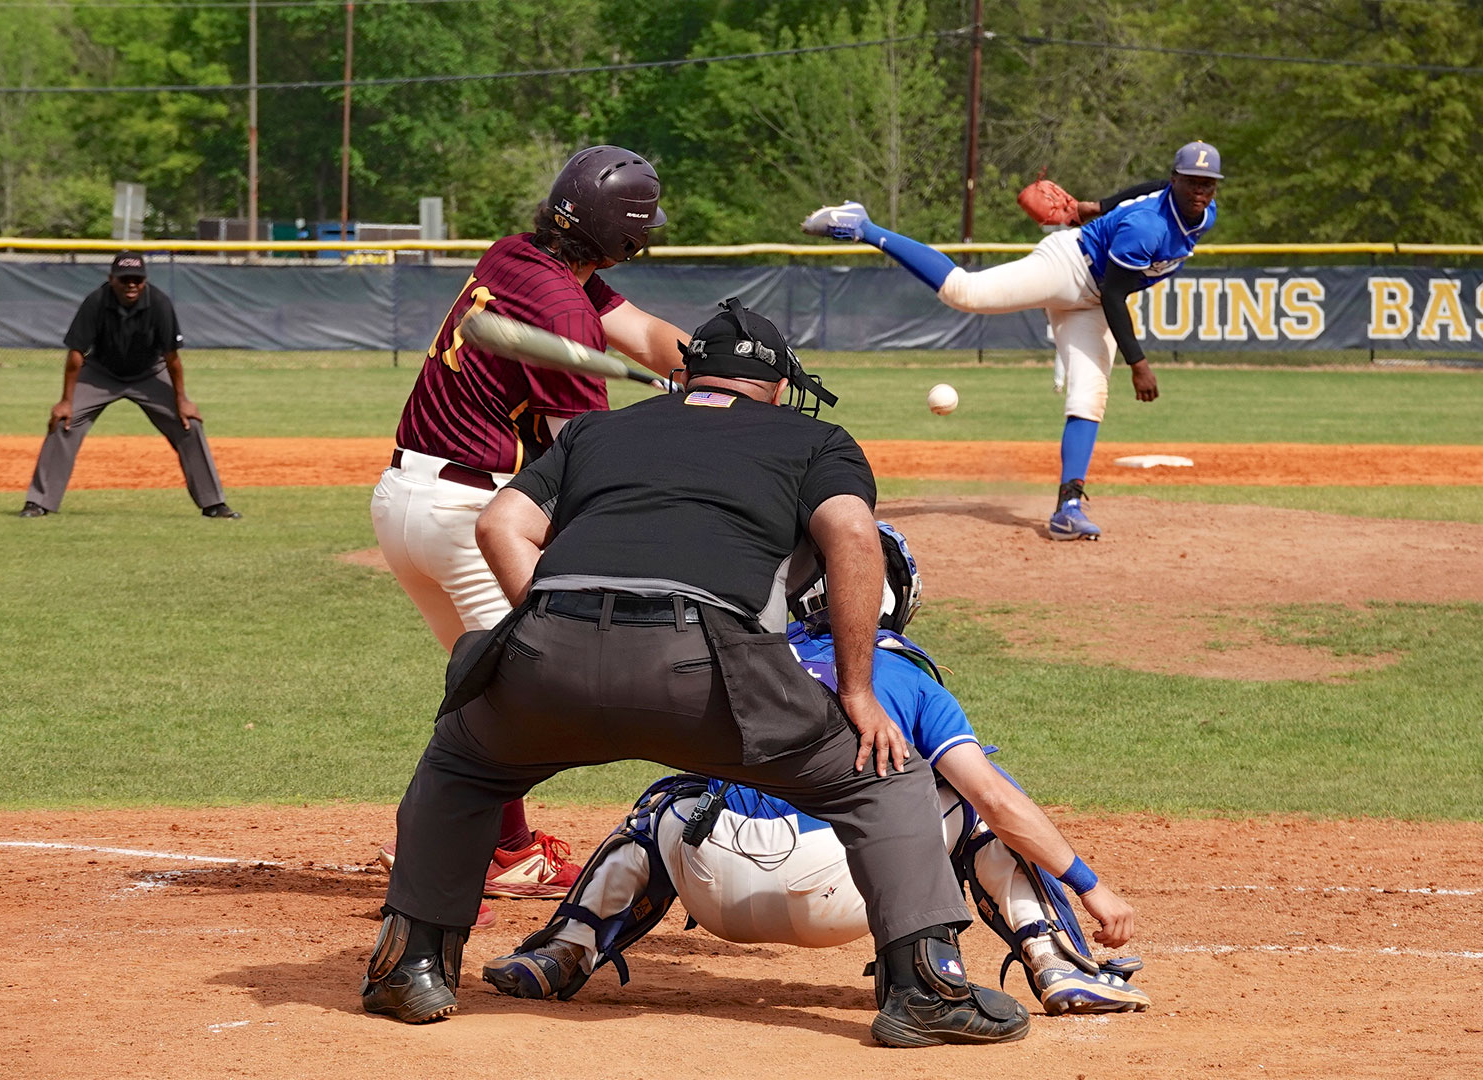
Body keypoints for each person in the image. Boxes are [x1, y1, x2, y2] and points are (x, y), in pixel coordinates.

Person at [361, 299, 1031, 1048]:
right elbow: (850, 534)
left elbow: (499, 524)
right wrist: (856, 689)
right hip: (705, 671)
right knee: (880, 777)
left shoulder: (596, 430)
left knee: (461, 763)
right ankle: (927, 991)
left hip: (547, 659)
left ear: (687, 376)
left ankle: (410, 966)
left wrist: (554, 624)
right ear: (777, 388)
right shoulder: (816, 439)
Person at [481, 522, 1151, 1018]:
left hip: (714, 889)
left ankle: (557, 952)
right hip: (844, 890)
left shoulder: (746, 659)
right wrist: (1092, 887)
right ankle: (1060, 967)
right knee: (962, 797)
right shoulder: (900, 674)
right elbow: (999, 804)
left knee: (668, 798)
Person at [370, 145, 691, 901]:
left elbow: (641, 333)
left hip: (407, 504)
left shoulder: (521, 258)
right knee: (520, 690)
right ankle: (429, 850)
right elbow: (576, 462)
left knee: (490, 686)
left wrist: (717, 370)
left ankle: (509, 848)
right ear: (628, 234)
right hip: (463, 516)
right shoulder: (564, 315)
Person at [802, 141, 1223, 542]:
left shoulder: (1204, 213)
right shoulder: (1145, 227)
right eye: (1191, 180)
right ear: (1176, 179)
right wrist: (1139, 363)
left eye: (1208, 183)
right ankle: (863, 226)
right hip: (1071, 268)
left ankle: (1068, 509)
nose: (1200, 190)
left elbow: (1150, 194)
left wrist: (1098, 206)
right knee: (964, 293)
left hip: (1092, 301)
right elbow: (1116, 295)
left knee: (1089, 395)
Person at [18, 252, 238, 519]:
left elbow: (172, 359)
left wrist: (182, 400)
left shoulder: (158, 303)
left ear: (144, 281)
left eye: (137, 279)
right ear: (111, 280)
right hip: (101, 372)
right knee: (65, 422)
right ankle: (38, 501)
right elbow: (76, 354)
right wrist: (66, 401)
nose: (131, 284)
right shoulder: (96, 301)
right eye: (124, 279)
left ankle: (213, 503)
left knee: (189, 424)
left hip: (149, 372)